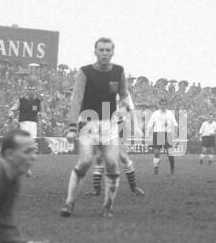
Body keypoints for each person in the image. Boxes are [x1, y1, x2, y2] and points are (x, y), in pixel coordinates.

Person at [61, 37, 135, 217]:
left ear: (112, 52)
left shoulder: (118, 71)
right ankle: (69, 203)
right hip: (88, 122)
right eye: (101, 50)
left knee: (111, 162)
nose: (104, 53)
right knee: (85, 161)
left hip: (109, 125)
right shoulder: (85, 72)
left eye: (108, 50)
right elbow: (76, 99)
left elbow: (123, 94)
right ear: (95, 52)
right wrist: (72, 126)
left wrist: (128, 108)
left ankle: (108, 207)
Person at [146, 100, 179, 174]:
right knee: (157, 153)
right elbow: (150, 124)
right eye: (162, 104)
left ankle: (172, 169)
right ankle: (156, 167)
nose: (163, 106)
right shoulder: (155, 113)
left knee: (170, 152)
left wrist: (176, 134)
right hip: (157, 134)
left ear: (166, 105)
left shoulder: (170, 113)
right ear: (159, 105)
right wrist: (147, 134)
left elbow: (175, 124)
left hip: (167, 134)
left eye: (164, 104)